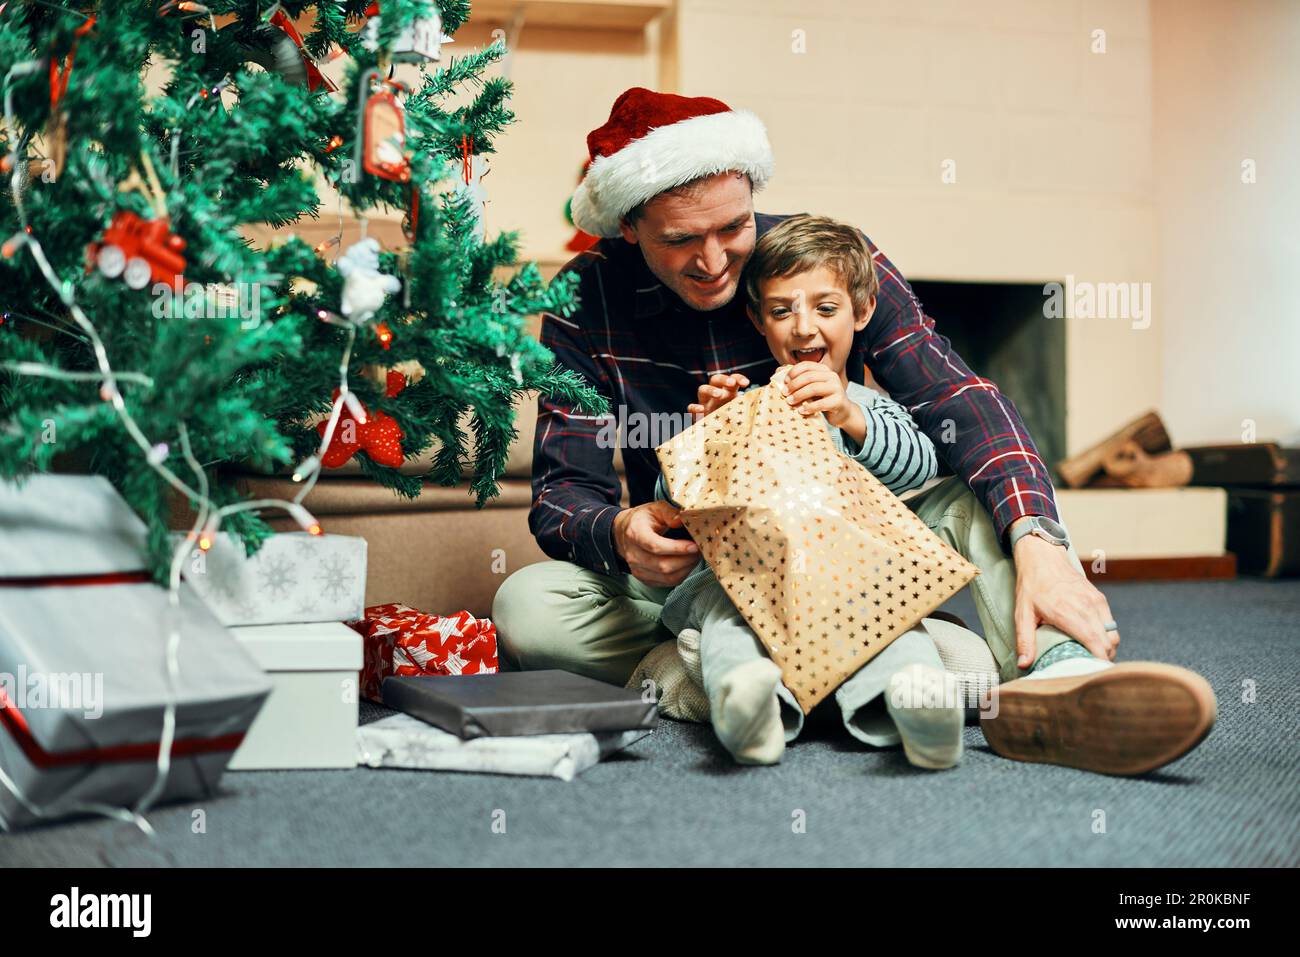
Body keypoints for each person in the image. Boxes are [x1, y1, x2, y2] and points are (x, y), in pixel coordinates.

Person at [493, 87, 1216, 776]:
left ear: (754, 199)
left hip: (855, 553)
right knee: (525, 608)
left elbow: (956, 399)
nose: (713, 262)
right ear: (629, 226)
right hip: (710, 573)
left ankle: (1059, 671)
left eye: (733, 228)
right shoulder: (585, 297)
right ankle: (891, 666)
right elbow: (563, 493)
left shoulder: (822, 261)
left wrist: (1039, 539)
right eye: (681, 240)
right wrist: (622, 531)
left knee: (982, 499)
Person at [655, 212, 967, 768]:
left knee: (896, 629)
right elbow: (680, 502)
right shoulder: (744, 406)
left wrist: (850, 415)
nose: (803, 328)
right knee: (730, 625)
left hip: (857, 581)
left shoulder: (867, 408)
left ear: (863, 311)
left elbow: (921, 468)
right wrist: (712, 434)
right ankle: (747, 702)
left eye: (826, 309)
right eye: (782, 311)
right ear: (758, 321)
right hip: (753, 580)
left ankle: (920, 702)